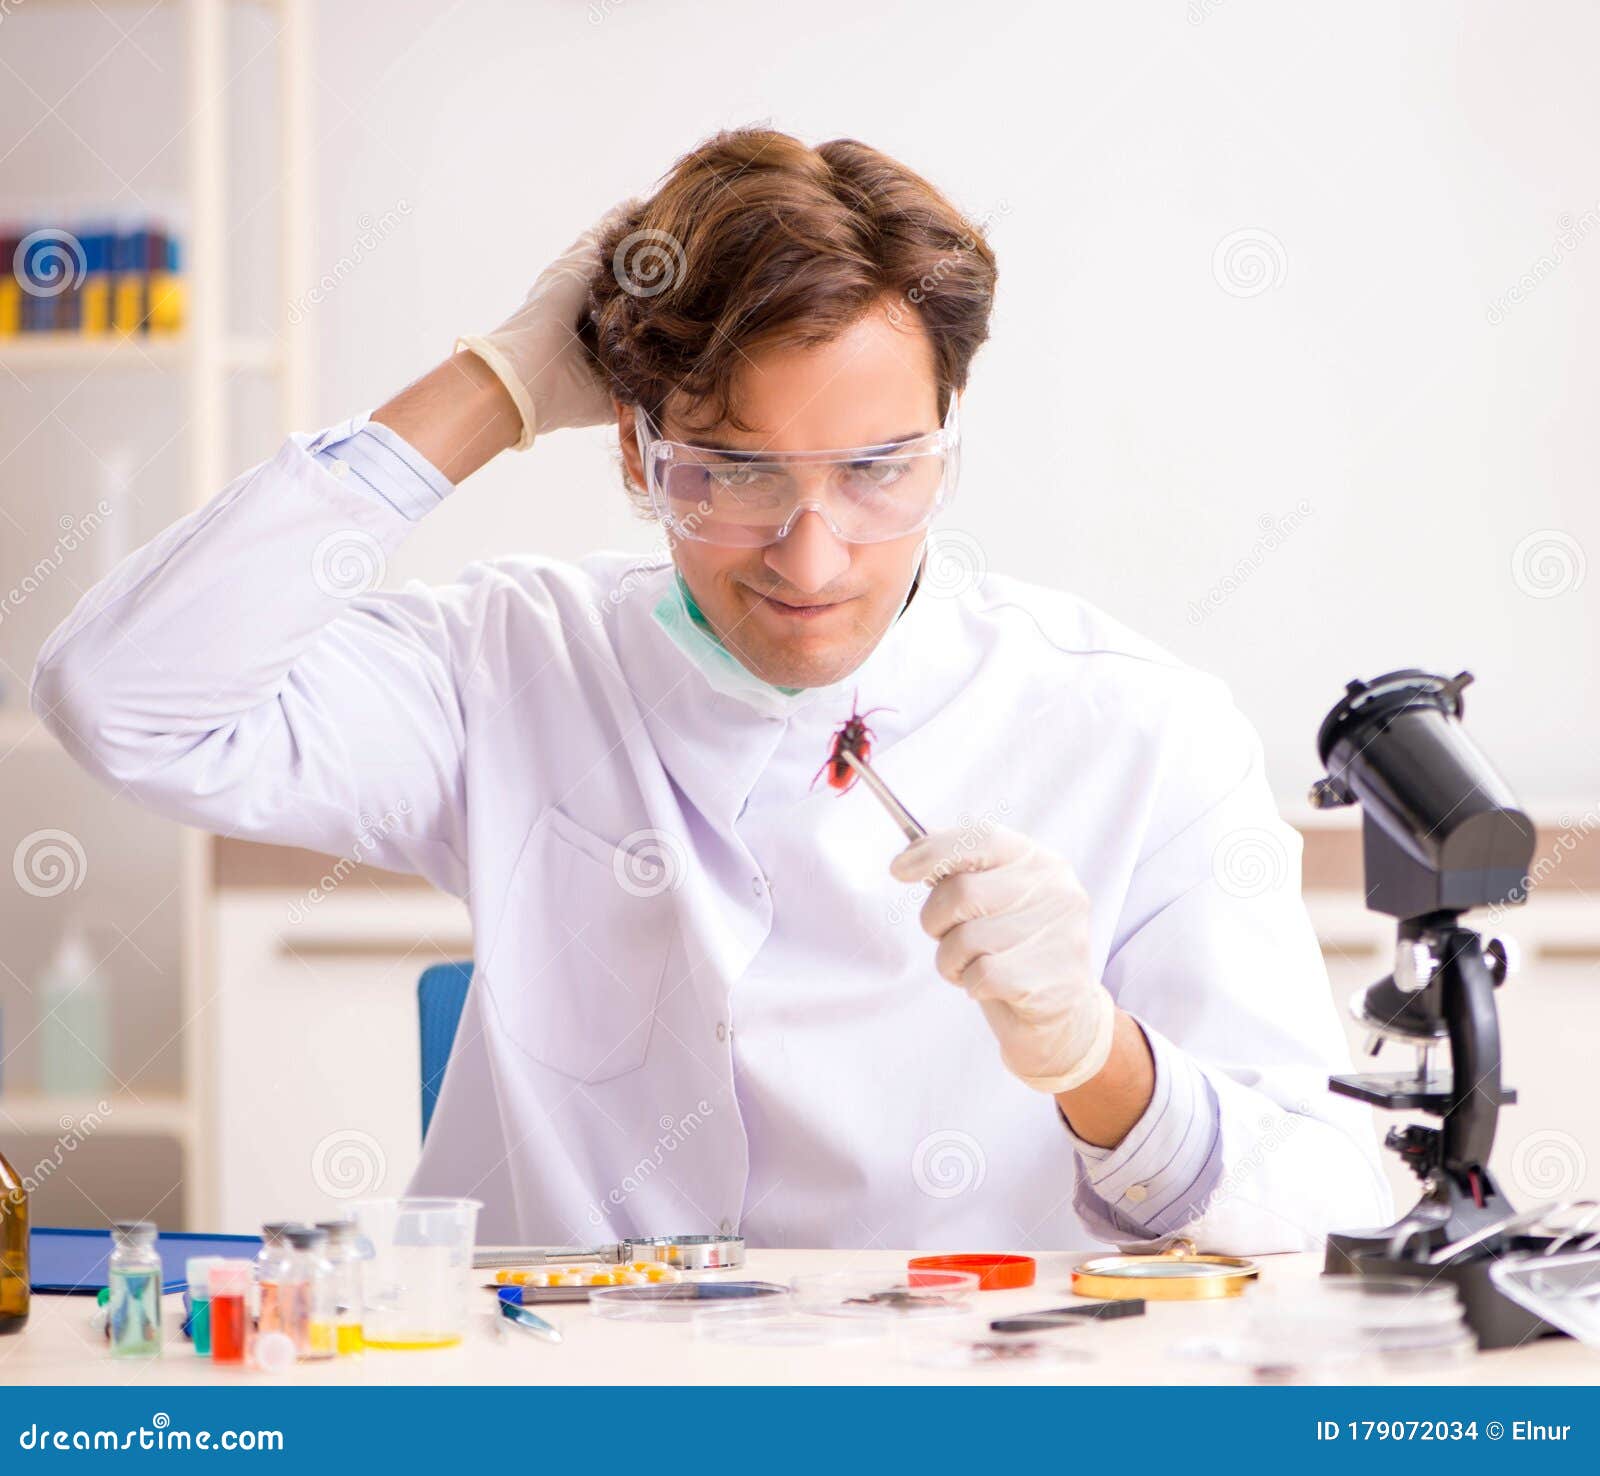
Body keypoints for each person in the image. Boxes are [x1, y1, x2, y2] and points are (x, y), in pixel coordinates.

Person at [30, 127, 1390, 1250]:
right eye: (731, 474)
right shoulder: (513, 664)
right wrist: (496, 384)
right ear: (636, 456)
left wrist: (1097, 1055)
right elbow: (123, 697)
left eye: (879, 469)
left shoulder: (1137, 730)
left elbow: (1330, 1206)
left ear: (947, 448)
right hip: (569, 1417)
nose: (813, 555)